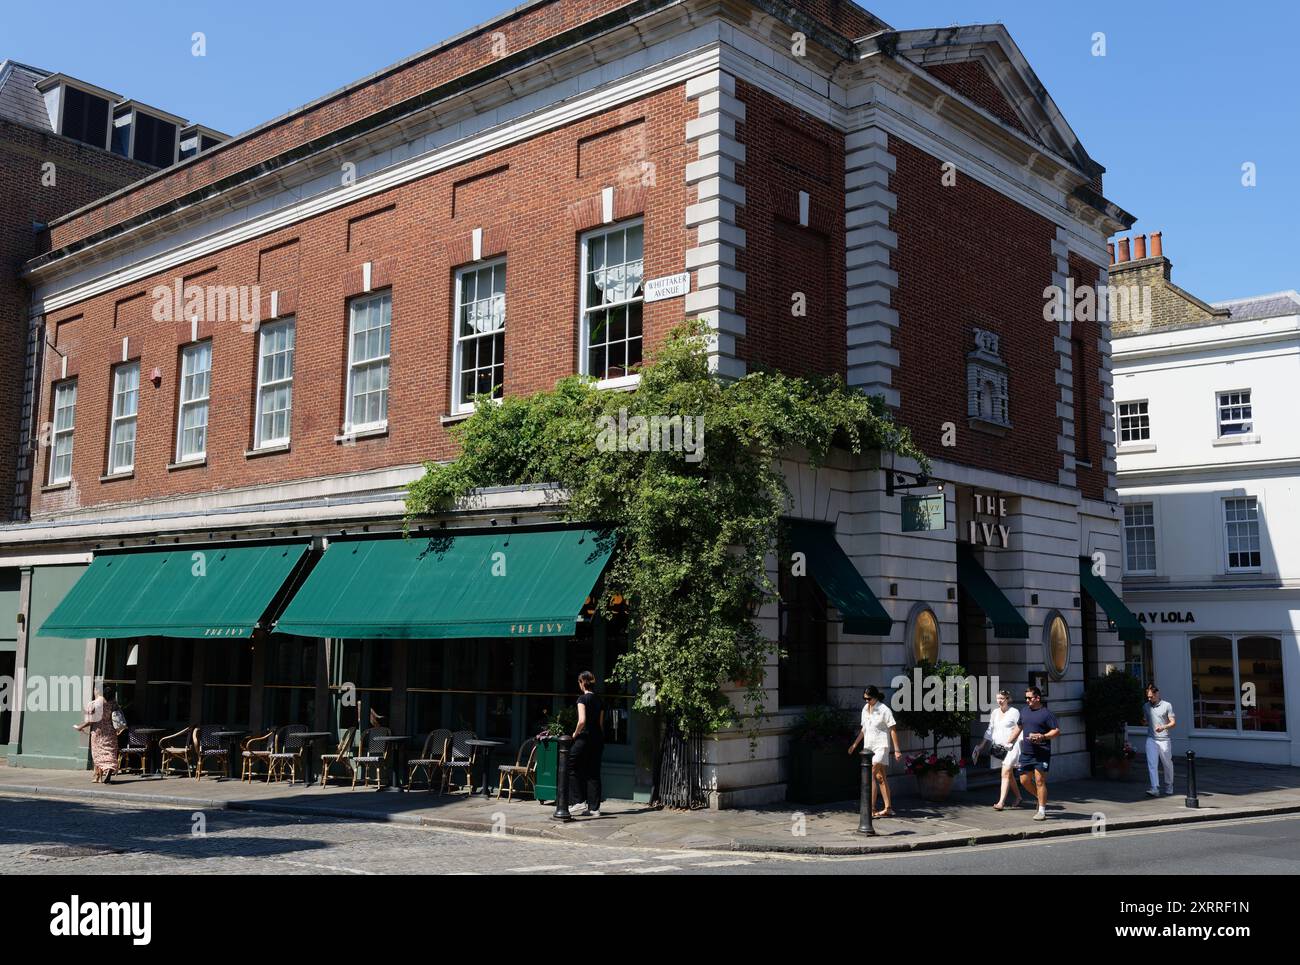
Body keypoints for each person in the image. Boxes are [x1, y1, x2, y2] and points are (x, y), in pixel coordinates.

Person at [847, 685, 902, 818]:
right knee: (880, 777)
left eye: (869, 698)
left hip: (881, 746)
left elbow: (893, 729)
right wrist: (854, 745)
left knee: (870, 774)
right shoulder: (865, 709)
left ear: (875, 697)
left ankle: (870, 809)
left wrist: (897, 750)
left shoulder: (884, 710)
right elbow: (864, 729)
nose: (866, 701)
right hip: (869, 747)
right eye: (864, 698)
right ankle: (888, 808)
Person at [1009, 686, 1059, 821]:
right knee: (1024, 780)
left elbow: (1056, 731)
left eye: (1030, 698)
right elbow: (1019, 727)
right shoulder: (1024, 711)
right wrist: (1009, 742)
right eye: (1026, 698)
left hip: (1042, 753)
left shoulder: (1046, 713)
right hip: (1027, 752)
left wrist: (1042, 736)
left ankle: (1042, 810)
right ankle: (1040, 797)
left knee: (1039, 780)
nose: (1027, 700)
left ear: (1037, 698)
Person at [971, 688, 1022, 810]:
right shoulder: (994, 712)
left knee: (1004, 773)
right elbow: (990, 730)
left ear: (1008, 699)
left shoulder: (1014, 712)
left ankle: (1001, 802)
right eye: (998, 698)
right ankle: (1019, 797)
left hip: (1011, 748)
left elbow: (1019, 729)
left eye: (1002, 698)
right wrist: (981, 746)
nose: (999, 701)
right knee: (1008, 774)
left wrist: (1015, 744)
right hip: (997, 747)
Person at [568, 670, 604, 816]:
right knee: (593, 772)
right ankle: (594, 809)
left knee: (571, 765)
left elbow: (582, 721)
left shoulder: (582, 699)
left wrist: (575, 734)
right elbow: (600, 725)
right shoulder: (599, 700)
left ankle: (578, 801)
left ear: (582, 683)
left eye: (579, 683)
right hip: (597, 739)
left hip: (584, 738)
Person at [74, 686, 120, 784]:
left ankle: (99, 775)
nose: (94, 691)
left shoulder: (93, 704)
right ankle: (107, 769)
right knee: (109, 751)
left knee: (98, 753)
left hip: (98, 732)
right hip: (110, 731)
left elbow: (90, 721)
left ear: (98, 691)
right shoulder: (113, 703)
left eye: (95, 689)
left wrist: (80, 727)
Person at [1143, 682, 1176, 797]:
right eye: (1148, 696)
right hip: (1151, 738)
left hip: (1164, 739)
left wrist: (1163, 727)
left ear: (1157, 694)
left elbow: (1173, 723)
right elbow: (1146, 720)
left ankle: (1169, 785)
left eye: (1151, 696)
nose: (1149, 698)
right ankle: (1154, 788)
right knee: (1152, 764)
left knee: (1167, 764)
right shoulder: (1146, 706)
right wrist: (1144, 722)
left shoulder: (1167, 705)